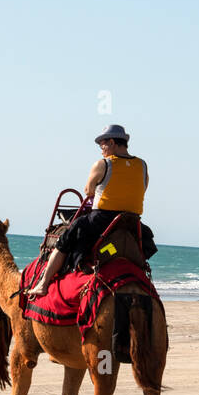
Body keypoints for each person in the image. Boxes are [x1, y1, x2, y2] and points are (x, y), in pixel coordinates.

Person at [36, 125, 151, 296]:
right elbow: (143, 188)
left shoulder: (103, 164)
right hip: (132, 221)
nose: (101, 150)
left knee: (67, 238)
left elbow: (88, 191)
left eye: (102, 145)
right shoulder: (142, 165)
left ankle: (43, 284)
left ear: (111, 142)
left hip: (102, 219)